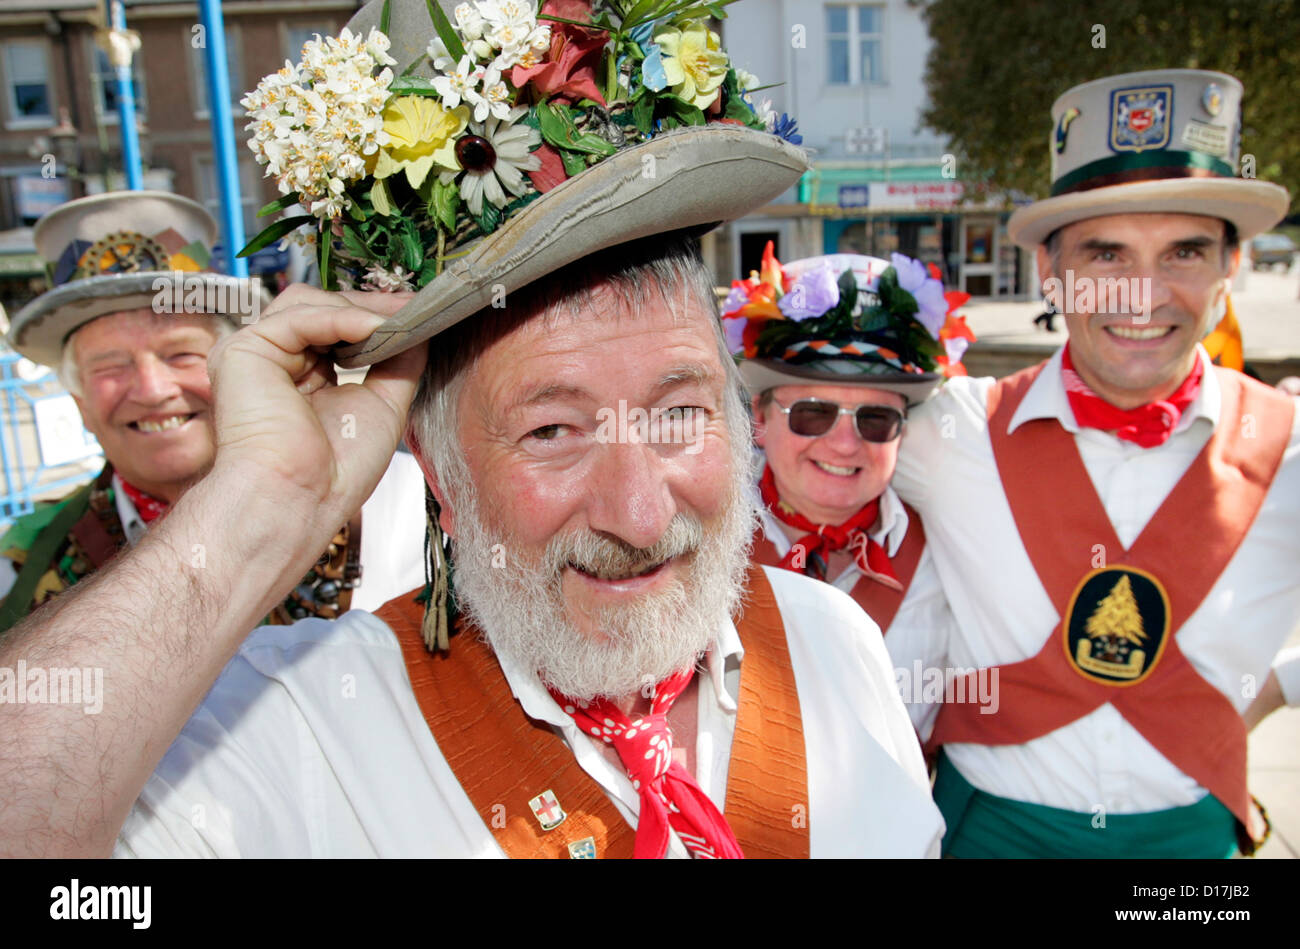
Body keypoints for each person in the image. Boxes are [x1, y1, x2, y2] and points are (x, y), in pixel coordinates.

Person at [0, 0, 942, 858]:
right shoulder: (298, 729)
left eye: (681, 412)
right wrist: (256, 512)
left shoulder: (836, 644)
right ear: (437, 473)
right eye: (551, 431)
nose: (642, 514)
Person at [890, 68, 1299, 857]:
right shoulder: (950, 431)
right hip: (991, 834)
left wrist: (1259, 693)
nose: (1141, 295)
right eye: (1106, 254)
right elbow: (792, 466)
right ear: (1051, 269)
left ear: (1231, 268)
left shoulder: (1288, 450)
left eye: (1183, 251)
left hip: (1188, 853)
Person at [0, 191, 427, 627]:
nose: (151, 390)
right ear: (81, 407)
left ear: (240, 367)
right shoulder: (21, 565)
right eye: (111, 367)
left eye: (180, 355)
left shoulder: (403, 505)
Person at [720, 245, 972, 730]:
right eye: (814, 413)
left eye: (876, 420)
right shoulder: (701, 543)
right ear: (758, 417)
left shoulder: (949, 550)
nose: (843, 444)